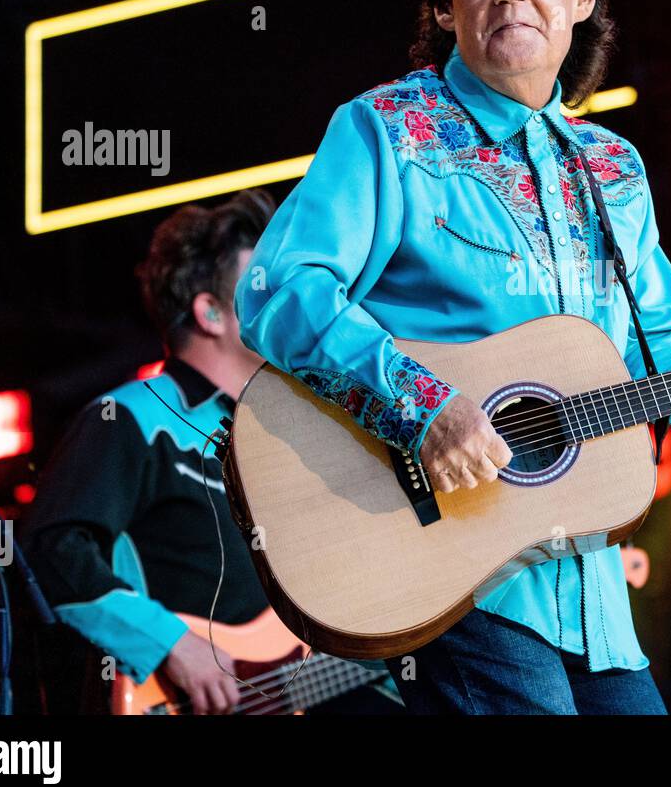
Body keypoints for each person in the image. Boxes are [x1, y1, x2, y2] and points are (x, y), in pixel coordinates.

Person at [235, 0, 671, 714]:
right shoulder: (386, 129)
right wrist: (425, 405)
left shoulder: (615, 168)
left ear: (582, 1)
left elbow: (669, 356)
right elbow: (277, 289)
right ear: (442, 8)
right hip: (454, 577)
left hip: (596, 601)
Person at [20, 190, 403, 714]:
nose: (285, 300)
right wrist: (170, 645)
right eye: (264, 284)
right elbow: (50, 547)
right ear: (210, 312)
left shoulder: (294, 436)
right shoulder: (131, 417)